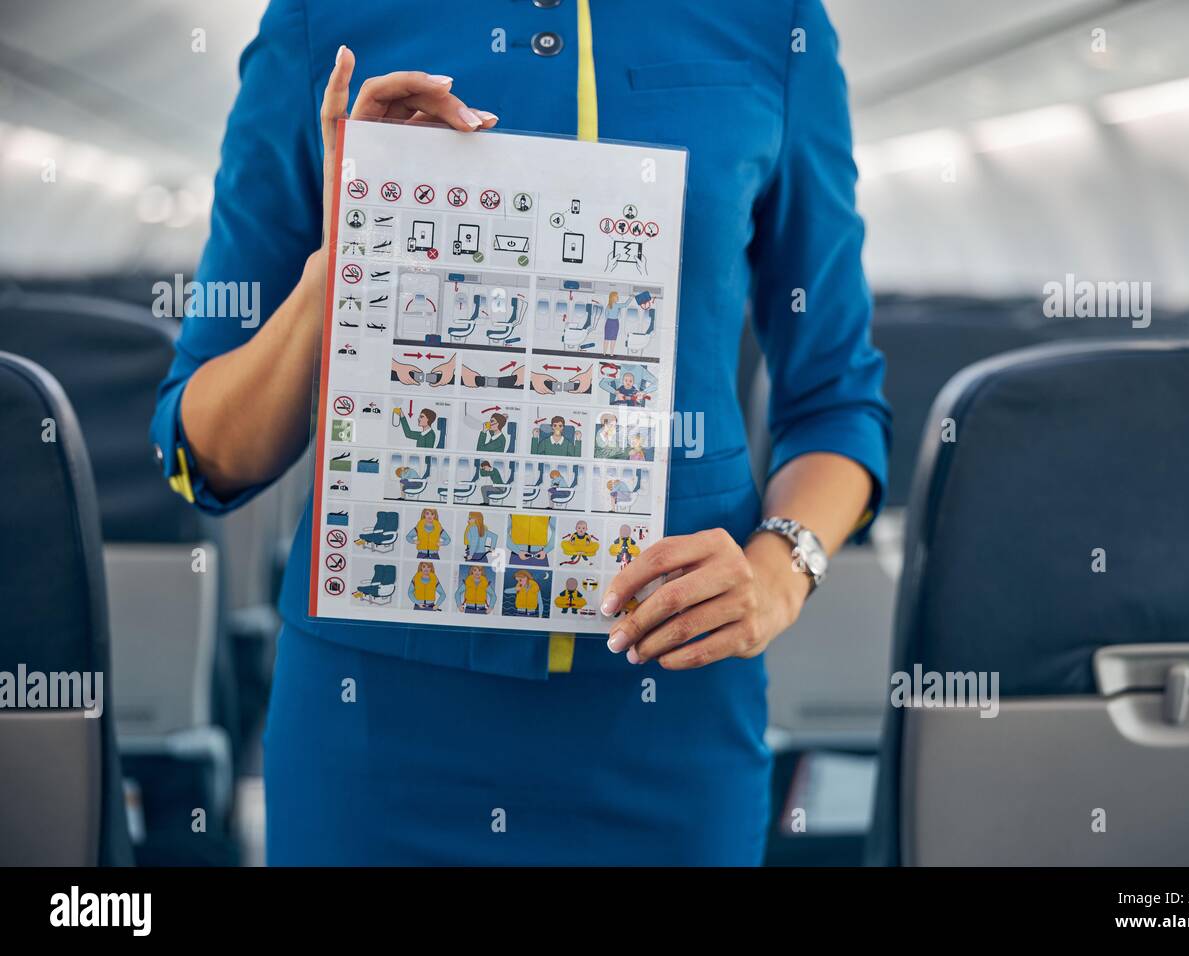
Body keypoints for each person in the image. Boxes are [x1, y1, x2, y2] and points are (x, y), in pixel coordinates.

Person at [151, 0, 889, 866]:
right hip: (376, 731)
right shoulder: (323, 19)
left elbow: (837, 401)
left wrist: (778, 572)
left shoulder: (773, 23)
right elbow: (203, 451)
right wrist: (340, 265)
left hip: (668, 723)